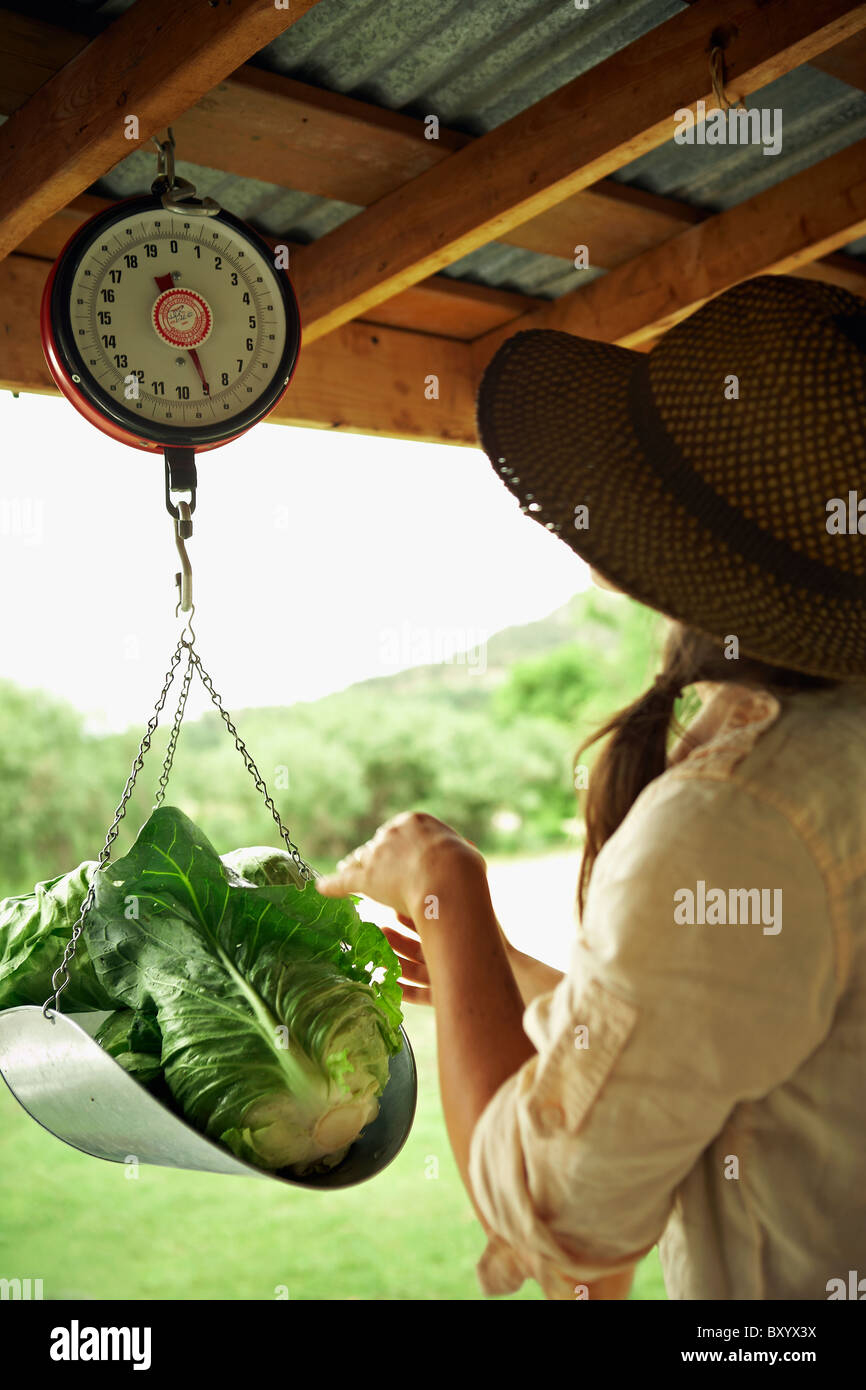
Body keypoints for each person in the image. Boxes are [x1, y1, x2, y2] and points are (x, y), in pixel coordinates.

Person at [316, 275, 866, 1301]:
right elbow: (742, 1021)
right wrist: (505, 975)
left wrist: (442, 883)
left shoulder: (736, 820)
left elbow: (558, 1214)